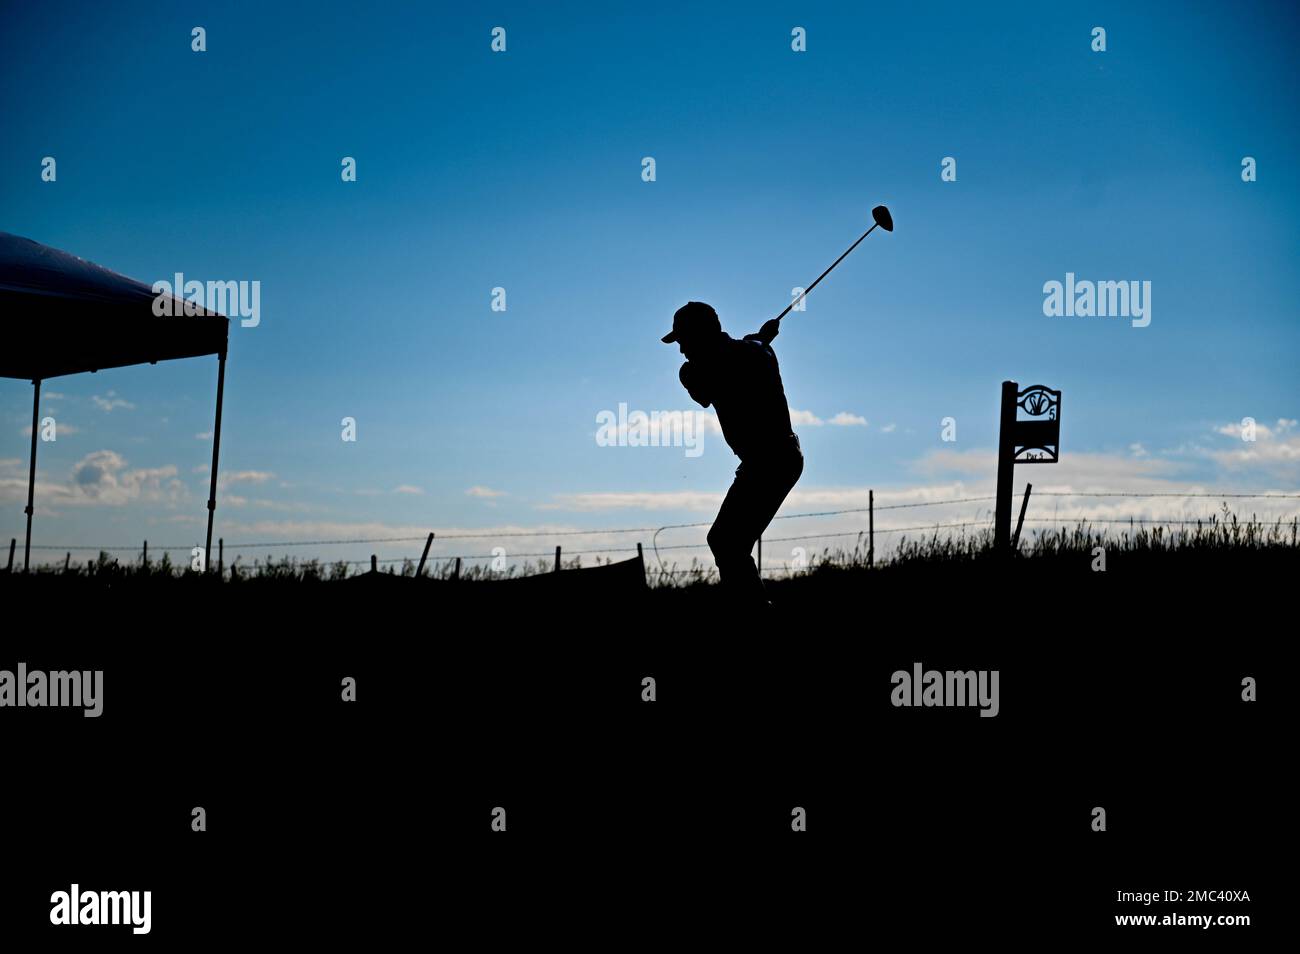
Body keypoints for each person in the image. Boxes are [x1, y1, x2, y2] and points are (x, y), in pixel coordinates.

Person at [663, 301, 803, 608]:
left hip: (769, 462)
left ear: (702, 335)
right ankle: (746, 610)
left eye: (684, 340)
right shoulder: (759, 352)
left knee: (726, 543)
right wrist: (760, 338)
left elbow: (706, 383)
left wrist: (757, 338)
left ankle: (750, 615)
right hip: (776, 458)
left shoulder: (694, 372)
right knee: (728, 543)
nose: (682, 349)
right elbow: (743, 351)